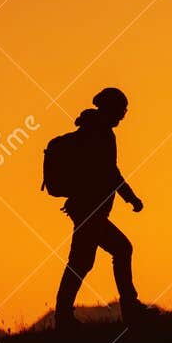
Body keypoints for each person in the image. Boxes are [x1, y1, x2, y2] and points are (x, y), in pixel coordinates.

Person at [53, 87, 159, 330]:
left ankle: (64, 316)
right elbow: (111, 173)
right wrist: (131, 198)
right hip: (90, 210)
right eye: (121, 110)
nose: (123, 115)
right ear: (111, 108)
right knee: (119, 250)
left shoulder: (91, 130)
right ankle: (129, 310)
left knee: (82, 262)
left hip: (86, 209)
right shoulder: (101, 134)